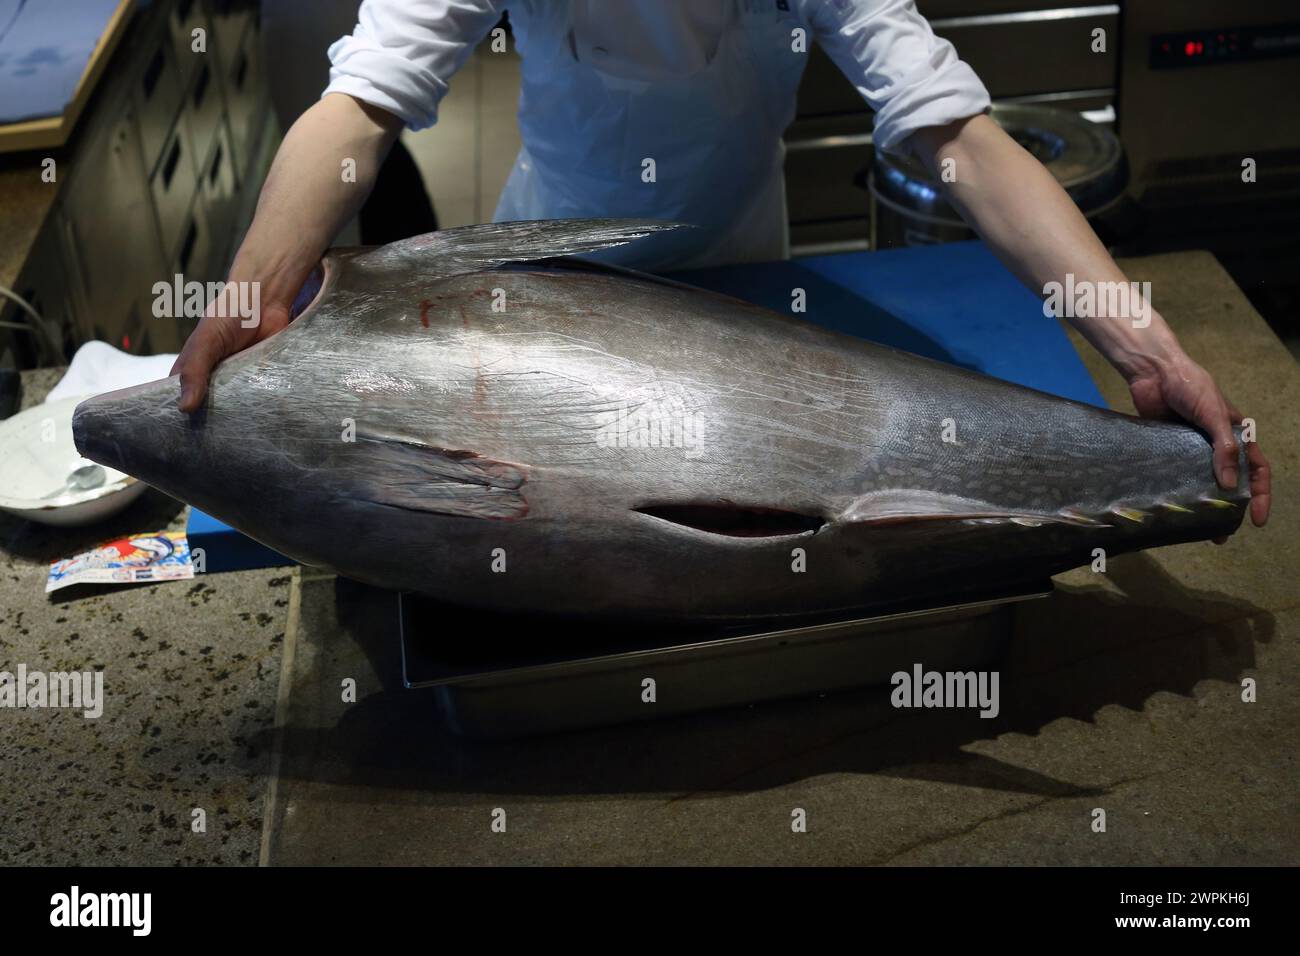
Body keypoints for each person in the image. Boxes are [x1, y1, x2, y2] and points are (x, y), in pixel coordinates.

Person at [173, 0, 1269, 529]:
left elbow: (957, 136)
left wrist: (1144, 342)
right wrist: (257, 288)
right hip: (554, 280)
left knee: (763, 523)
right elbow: (362, 101)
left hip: (749, 273)